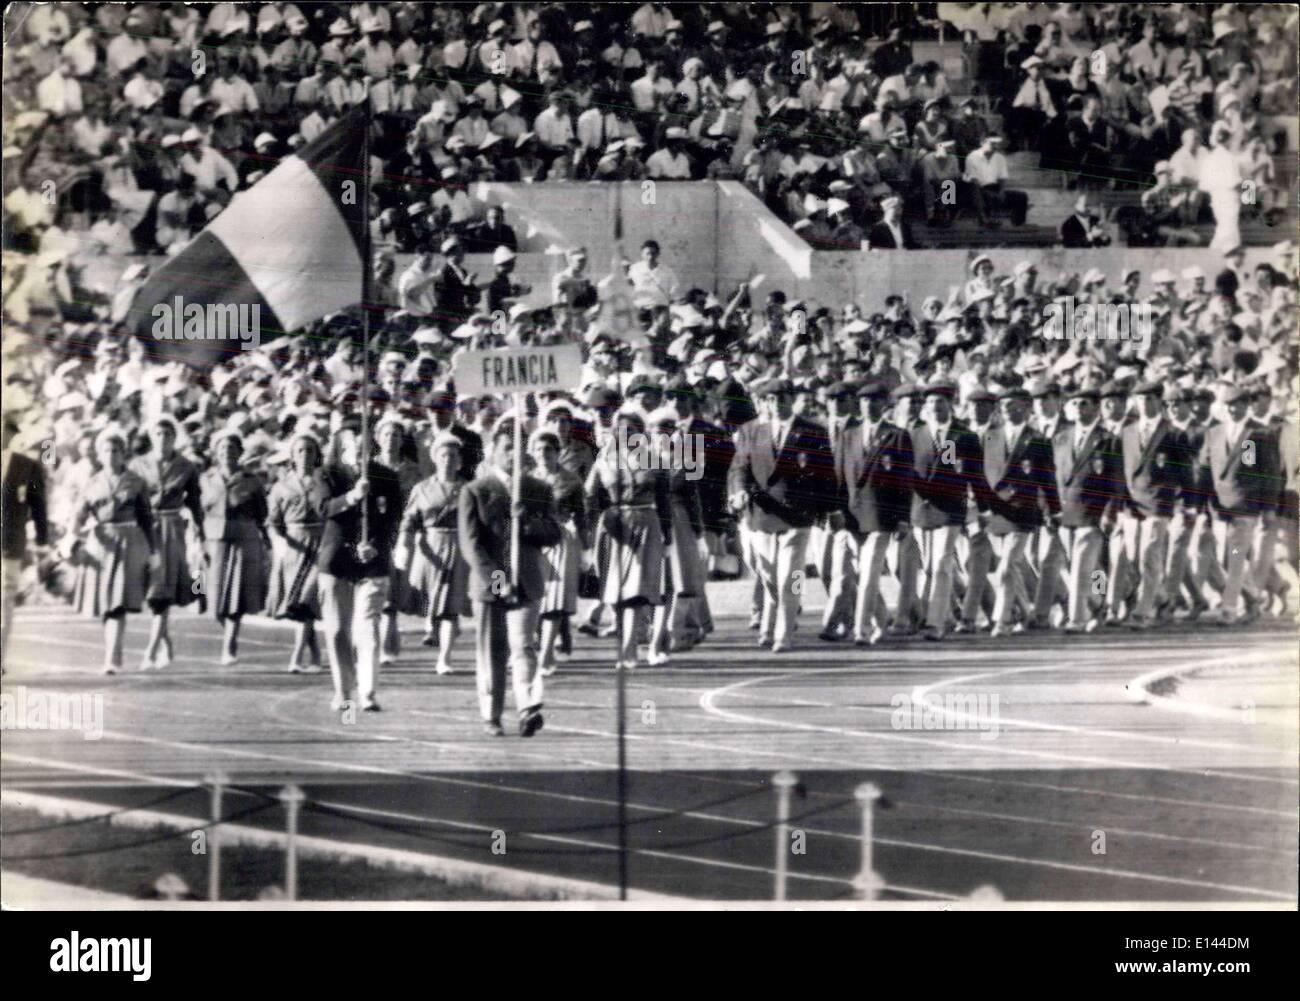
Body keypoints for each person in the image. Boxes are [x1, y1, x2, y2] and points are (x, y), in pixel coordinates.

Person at [459, 416, 561, 736]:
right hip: (492, 584)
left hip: (527, 579)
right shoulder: (475, 490)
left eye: (519, 448)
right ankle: (491, 713)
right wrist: (498, 583)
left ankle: (528, 706)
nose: (513, 454)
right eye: (506, 448)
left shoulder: (538, 489)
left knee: (523, 644)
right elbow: (471, 544)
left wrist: (527, 520)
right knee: (493, 650)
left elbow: (553, 534)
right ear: (493, 452)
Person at [728, 377, 834, 652]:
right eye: (770, 399)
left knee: (791, 575)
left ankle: (783, 633)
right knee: (769, 575)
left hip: (798, 515)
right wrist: (739, 491)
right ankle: (768, 624)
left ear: (792, 400)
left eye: (782, 398)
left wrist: (828, 509)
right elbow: (739, 467)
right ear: (764, 402)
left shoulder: (812, 431)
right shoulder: (751, 430)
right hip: (762, 514)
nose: (776, 404)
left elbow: (825, 475)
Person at [317, 421, 404, 713]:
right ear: (341, 445)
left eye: (363, 441)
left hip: (372, 562)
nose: (358, 446)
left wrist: (377, 546)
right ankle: (344, 690)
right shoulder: (328, 474)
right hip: (337, 560)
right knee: (338, 629)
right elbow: (322, 509)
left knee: (368, 626)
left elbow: (394, 520)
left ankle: (367, 691)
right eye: (351, 441)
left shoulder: (387, 477)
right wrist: (352, 496)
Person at [586, 410, 672, 669]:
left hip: (646, 523)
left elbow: (665, 501)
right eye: (622, 430)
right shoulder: (604, 459)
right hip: (614, 526)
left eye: (633, 429)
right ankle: (626, 641)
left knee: (637, 589)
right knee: (616, 590)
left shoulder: (654, 459)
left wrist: (668, 538)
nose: (627, 434)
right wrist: (596, 523)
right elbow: (589, 494)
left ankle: (630, 649)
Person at [71, 428, 156, 674]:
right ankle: (112, 652)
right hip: (100, 544)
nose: (111, 455)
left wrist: (153, 551)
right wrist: (71, 537)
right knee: (105, 602)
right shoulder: (92, 482)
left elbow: (146, 518)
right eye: (106, 450)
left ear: (124, 453)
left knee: (118, 601)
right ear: (99, 454)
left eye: (116, 450)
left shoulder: (136, 482)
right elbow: (78, 515)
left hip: (129, 542)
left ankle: (112, 657)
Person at [841, 380, 915, 646]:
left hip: (883, 515)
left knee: (870, 570)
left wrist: (903, 517)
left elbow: (904, 481)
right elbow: (841, 474)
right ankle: (881, 623)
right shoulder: (849, 434)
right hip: (853, 514)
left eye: (874, 400)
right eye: (864, 400)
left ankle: (861, 629)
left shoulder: (897, 435)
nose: (869, 405)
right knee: (861, 573)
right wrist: (838, 511)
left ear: (884, 404)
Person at [133, 418, 204, 671]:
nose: (163, 438)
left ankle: (150, 651)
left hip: (172, 528)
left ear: (175, 438)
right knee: (151, 592)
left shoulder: (187, 467)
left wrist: (200, 532)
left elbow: (195, 502)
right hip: (145, 528)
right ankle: (166, 642)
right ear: (152, 437)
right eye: (158, 433)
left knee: (162, 591)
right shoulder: (138, 465)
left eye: (167, 434)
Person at [398, 431, 470, 677]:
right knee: (431, 599)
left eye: (452, 455)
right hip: (429, 547)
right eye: (443, 455)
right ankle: (433, 626)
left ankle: (445, 657)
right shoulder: (422, 488)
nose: (448, 459)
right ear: (435, 458)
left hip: (458, 547)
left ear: (459, 460)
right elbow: (409, 520)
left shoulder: (467, 489)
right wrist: (403, 546)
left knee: (450, 607)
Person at [200, 430, 269, 665]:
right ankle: (226, 627)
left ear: (240, 452)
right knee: (214, 596)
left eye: (232, 449)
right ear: (216, 453)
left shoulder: (252, 480)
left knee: (236, 595)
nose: (227, 453)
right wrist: (195, 540)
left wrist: (267, 542)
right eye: (222, 449)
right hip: (214, 541)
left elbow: (263, 515)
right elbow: (197, 513)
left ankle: (229, 643)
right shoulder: (205, 479)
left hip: (243, 539)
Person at [265, 431, 328, 673]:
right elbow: (272, 521)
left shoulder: (325, 483)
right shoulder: (281, 487)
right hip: (293, 546)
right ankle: (315, 656)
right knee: (302, 606)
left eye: (310, 450)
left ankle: (296, 656)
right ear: (292, 455)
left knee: (306, 599)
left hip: (320, 544)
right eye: (300, 450)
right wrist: (277, 540)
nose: (305, 455)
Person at [529, 427, 587, 676]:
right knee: (534, 595)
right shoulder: (526, 479)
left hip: (560, 538)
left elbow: (581, 515)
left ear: (558, 452)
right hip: (532, 538)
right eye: (539, 450)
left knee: (554, 597)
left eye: (549, 450)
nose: (544, 454)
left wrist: (586, 549)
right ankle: (537, 643)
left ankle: (546, 652)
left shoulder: (571, 480)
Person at [1, 406, 49, 672]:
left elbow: (38, 503)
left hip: (9, 542)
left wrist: (42, 540)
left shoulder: (28, 466)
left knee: (4, 600)